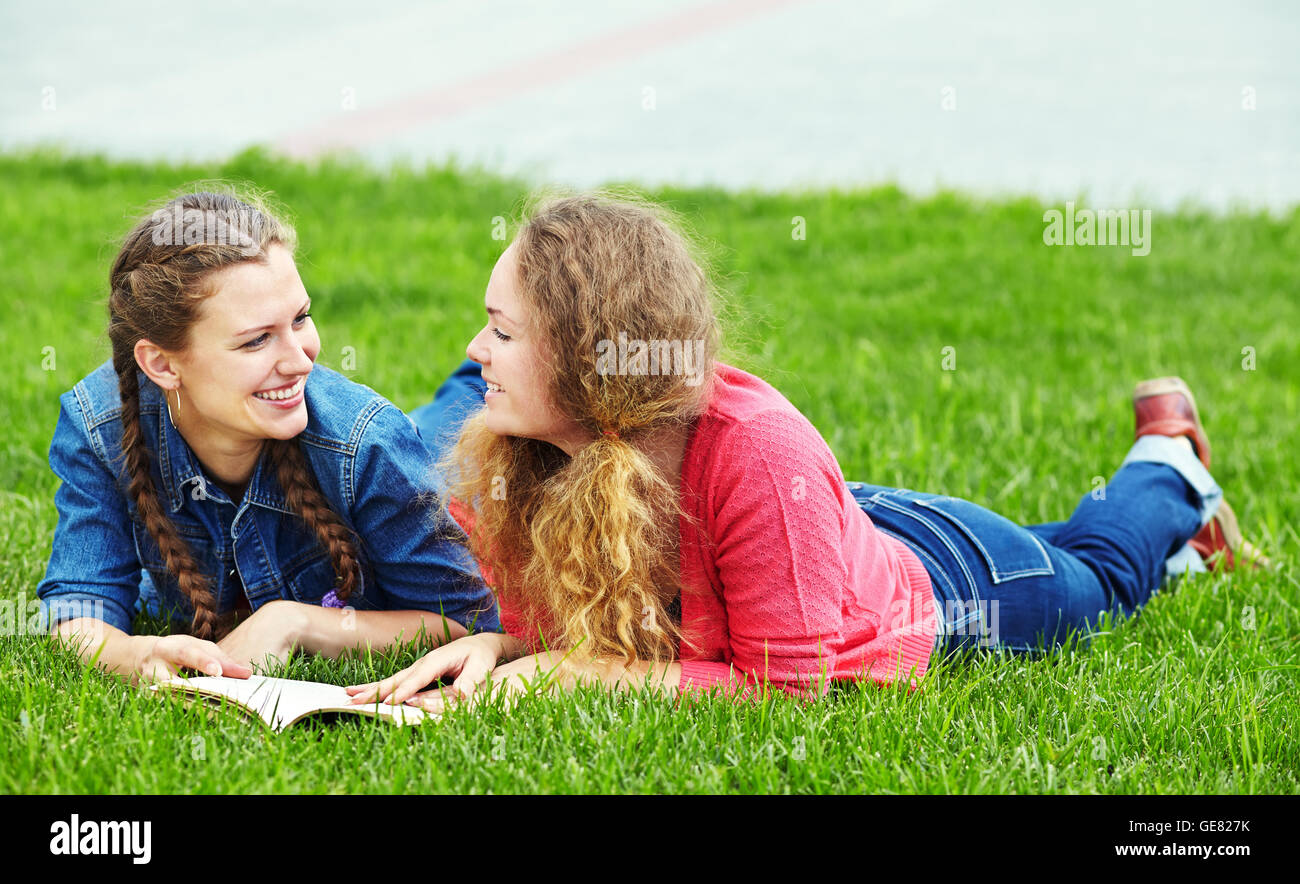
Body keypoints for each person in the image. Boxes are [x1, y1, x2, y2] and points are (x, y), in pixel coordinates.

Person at [347, 193, 1266, 711]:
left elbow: (789, 688)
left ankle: (1169, 469)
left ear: (586, 357)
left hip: (952, 582)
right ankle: (1189, 533)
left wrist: (577, 677)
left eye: (502, 333)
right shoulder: (528, 451)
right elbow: (584, 624)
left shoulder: (751, 450)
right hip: (830, 537)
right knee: (1077, 548)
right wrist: (503, 650)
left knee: (1098, 575)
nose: (473, 353)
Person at [37, 190, 499, 684]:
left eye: (300, 318)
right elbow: (79, 607)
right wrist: (133, 657)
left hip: (408, 448)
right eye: (256, 340)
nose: (301, 360)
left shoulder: (368, 443)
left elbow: (465, 622)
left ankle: (478, 368)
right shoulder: (102, 424)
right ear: (162, 364)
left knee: (458, 412)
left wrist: (294, 622)